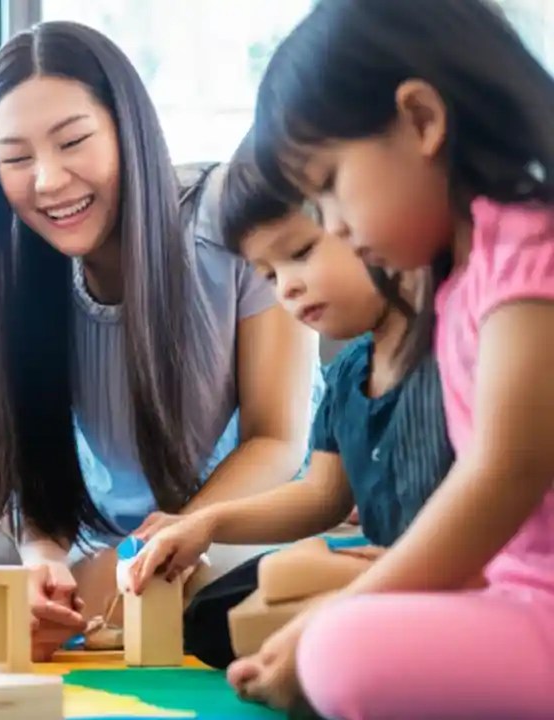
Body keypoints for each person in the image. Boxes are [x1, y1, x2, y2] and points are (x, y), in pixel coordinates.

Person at [0, 20, 321, 659]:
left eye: (73, 142)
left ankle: (111, 595)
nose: (48, 181)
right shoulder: (16, 267)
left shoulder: (233, 218)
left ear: (127, 129)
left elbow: (277, 439)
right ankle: (84, 596)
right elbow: (37, 476)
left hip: (237, 513)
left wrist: (182, 530)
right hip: (101, 522)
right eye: (15, 158)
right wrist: (42, 563)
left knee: (202, 597)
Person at [228, 0, 554, 715]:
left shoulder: (529, 243)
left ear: (421, 122)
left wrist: (344, 607)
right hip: (513, 591)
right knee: (322, 630)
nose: (337, 223)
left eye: (329, 187)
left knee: (339, 649)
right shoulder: (467, 278)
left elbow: (506, 472)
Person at [126, 139, 454, 670]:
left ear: (361, 222)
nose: (290, 289)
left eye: (300, 253)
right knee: (216, 613)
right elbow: (320, 494)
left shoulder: (450, 350)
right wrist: (207, 523)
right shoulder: (351, 372)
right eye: (270, 276)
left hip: (445, 573)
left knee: (297, 580)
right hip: (371, 572)